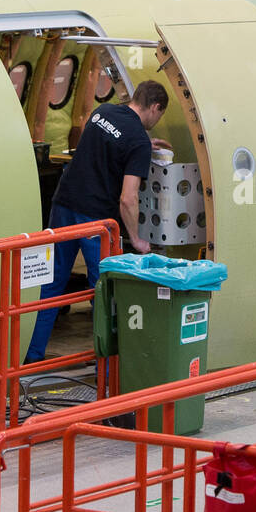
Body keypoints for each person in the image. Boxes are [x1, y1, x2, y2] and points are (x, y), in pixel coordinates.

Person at [24, 79, 170, 364]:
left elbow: (113, 142)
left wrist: (142, 144)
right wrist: (137, 239)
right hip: (94, 220)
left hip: (64, 204)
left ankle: (30, 359)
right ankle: (108, 366)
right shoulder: (137, 141)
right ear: (155, 107)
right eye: (159, 114)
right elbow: (128, 199)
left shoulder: (102, 112)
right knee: (102, 290)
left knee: (51, 284)